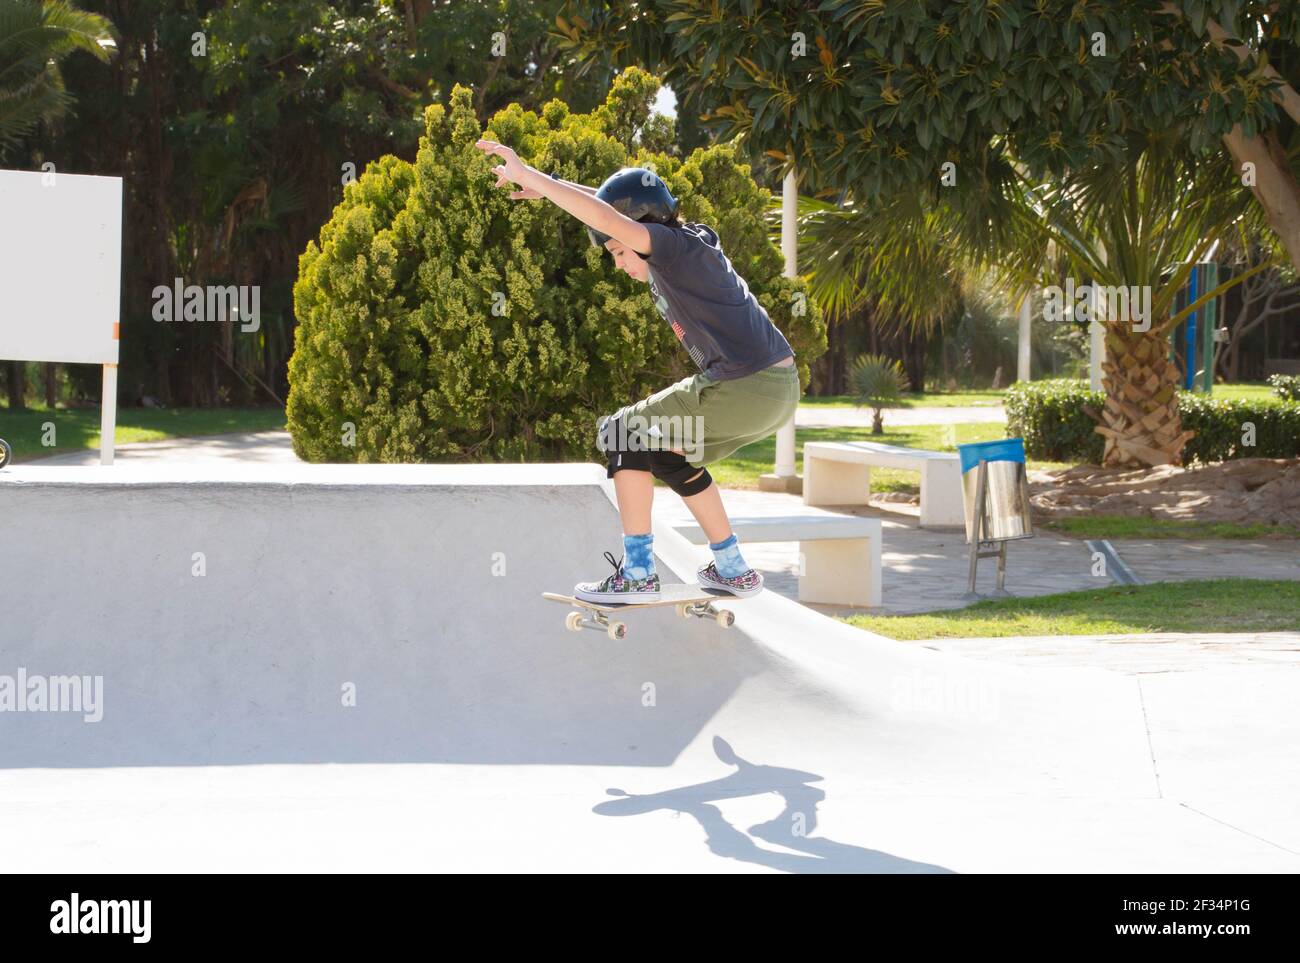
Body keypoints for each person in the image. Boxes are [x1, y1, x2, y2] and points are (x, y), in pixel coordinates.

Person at [476, 140, 799, 602]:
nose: (618, 262)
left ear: (637, 236)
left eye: (618, 253)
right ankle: (731, 567)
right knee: (669, 456)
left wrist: (531, 175)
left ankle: (638, 573)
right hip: (776, 390)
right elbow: (612, 211)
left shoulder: (668, 248)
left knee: (622, 433)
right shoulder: (688, 242)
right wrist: (545, 189)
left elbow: (613, 221)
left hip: (746, 385)